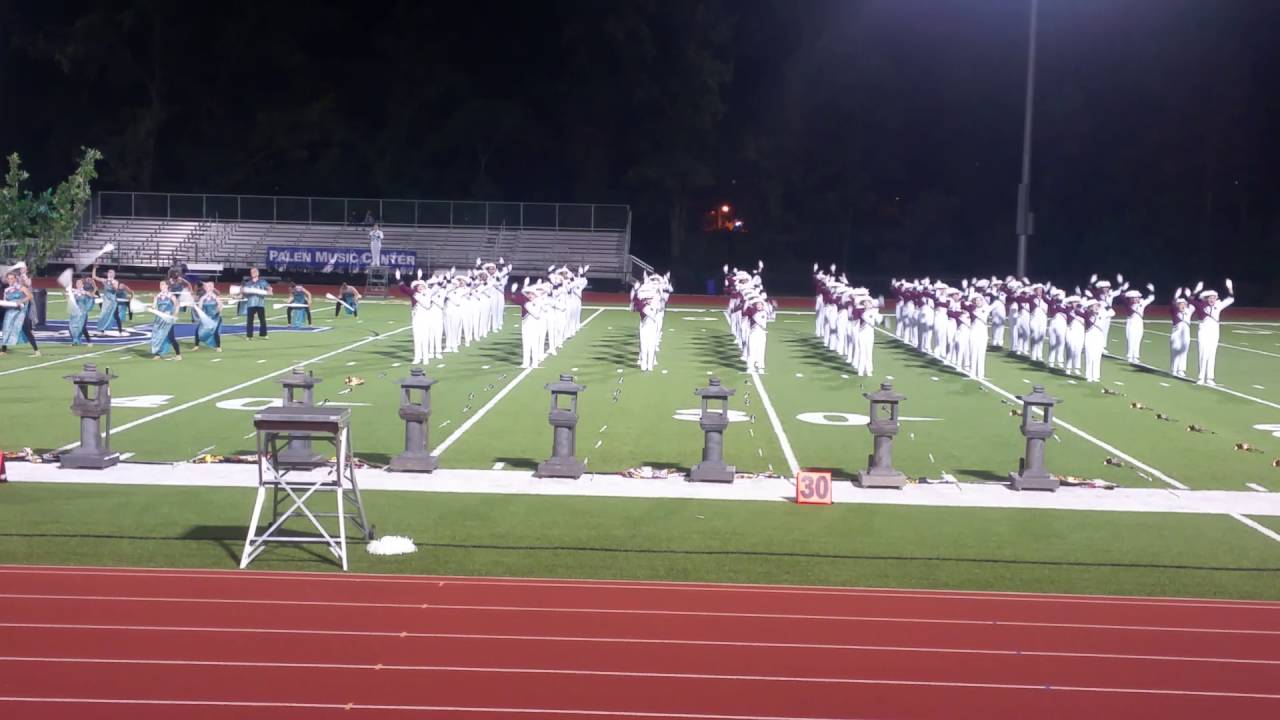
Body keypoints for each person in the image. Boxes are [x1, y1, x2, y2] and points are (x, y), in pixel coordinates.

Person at [1190, 279, 1235, 386]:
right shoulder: (1201, 305)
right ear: (1206, 298)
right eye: (1210, 297)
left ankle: (1210, 378)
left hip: (1214, 331)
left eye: (1214, 297)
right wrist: (1196, 290)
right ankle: (1201, 377)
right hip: (1203, 331)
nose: (1212, 299)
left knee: (1212, 353)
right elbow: (1190, 300)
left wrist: (1230, 288)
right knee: (1203, 353)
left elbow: (1231, 299)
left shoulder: (1218, 305)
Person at [0, 270, 39, 356]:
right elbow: (6, 301)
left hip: (20, 312)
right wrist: (4, 304)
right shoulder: (6, 290)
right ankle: (3, 350)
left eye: (12, 278)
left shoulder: (21, 287)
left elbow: (30, 296)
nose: (10, 280)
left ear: (15, 279)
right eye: (9, 278)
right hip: (10, 312)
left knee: (27, 330)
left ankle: (36, 351)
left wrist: (21, 301)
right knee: (6, 330)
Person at [1122, 284, 1156, 363]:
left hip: (1139, 322)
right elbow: (1122, 297)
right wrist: (1123, 289)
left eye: (1137, 297)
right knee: (1131, 339)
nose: (1136, 299)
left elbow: (1151, 299)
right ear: (1130, 299)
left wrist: (1152, 291)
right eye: (1134, 298)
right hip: (1131, 322)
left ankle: (1136, 356)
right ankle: (1130, 356)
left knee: (1138, 339)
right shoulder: (1128, 305)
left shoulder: (1142, 303)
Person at [149, 282, 182, 360]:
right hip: (159, 320)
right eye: (160, 285)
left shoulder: (171, 296)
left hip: (167, 320)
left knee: (171, 337)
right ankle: (158, 354)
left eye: (163, 284)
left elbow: (177, 304)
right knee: (157, 336)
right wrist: (151, 306)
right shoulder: (157, 296)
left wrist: (175, 314)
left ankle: (178, 354)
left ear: (167, 286)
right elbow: (154, 306)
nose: (161, 286)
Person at [1169, 289, 1193, 378]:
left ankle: (1181, 370)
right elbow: (1172, 306)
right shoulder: (1175, 311)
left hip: (1186, 333)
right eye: (1180, 304)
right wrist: (1176, 296)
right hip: (1176, 333)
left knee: (1184, 352)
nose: (1183, 306)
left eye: (1184, 304)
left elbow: (1194, 304)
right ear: (1177, 305)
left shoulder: (1189, 311)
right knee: (1175, 350)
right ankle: (1174, 369)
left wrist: (1189, 295)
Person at [192, 281, 222, 352]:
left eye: (209, 286)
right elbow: (200, 307)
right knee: (198, 331)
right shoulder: (203, 297)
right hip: (206, 318)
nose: (207, 288)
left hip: (215, 317)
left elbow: (220, 305)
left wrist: (218, 310)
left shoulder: (215, 296)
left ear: (212, 288)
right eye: (206, 286)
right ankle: (196, 346)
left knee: (215, 332)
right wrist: (197, 308)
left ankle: (218, 347)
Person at [242, 267, 271, 339]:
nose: (253, 273)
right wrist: (242, 292)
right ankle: (249, 335)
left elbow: (269, 289)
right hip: (251, 304)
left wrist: (269, 291)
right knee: (249, 321)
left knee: (262, 320)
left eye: (254, 271)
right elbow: (244, 294)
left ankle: (264, 334)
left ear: (258, 273)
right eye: (252, 272)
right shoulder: (248, 283)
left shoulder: (263, 282)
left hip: (260, 304)